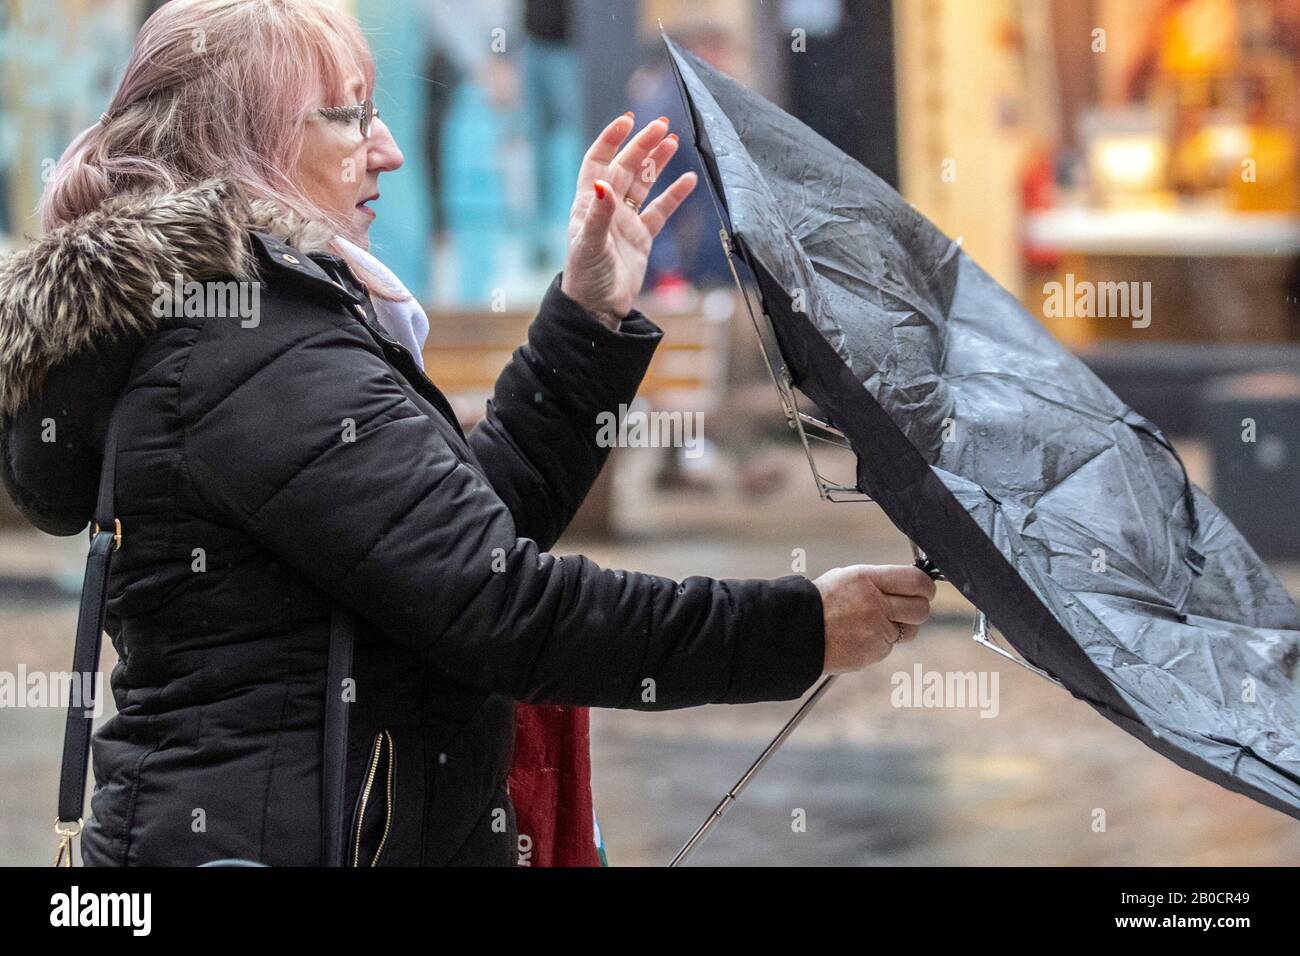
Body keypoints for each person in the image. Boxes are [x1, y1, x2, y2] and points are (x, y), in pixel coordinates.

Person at [0, 0, 935, 866]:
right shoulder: (252, 354)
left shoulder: (252, 330)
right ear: (239, 145)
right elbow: (505, 610)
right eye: (348, 116)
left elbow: (458, 539)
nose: (389, 149)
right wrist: (801, 628)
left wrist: (589, 316)